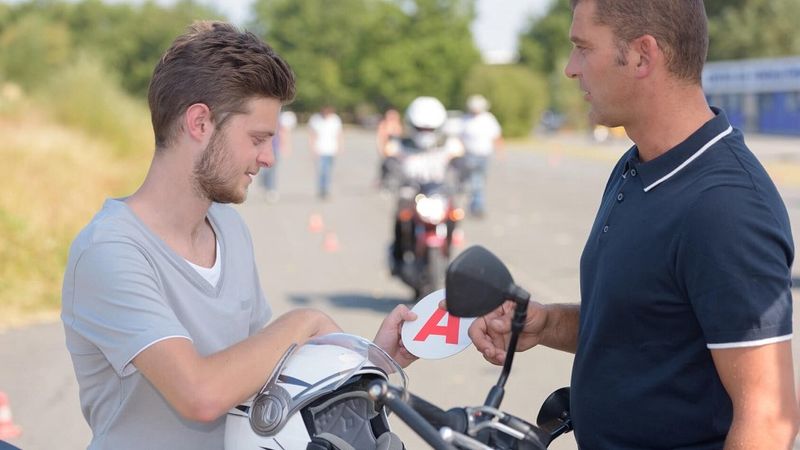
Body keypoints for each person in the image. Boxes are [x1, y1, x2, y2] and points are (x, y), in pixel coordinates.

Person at [60, 21, 416, 450]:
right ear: (199, 123)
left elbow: (259, 374)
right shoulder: (110, 251)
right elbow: (201, 394)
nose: (268, 158)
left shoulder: (228, 226)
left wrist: (364, 360)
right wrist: (305, 320)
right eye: (258, 139)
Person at [467, 1, 799, 448]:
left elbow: (768, 419)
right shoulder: (639, 164)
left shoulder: (726, 206)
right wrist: (546, 325)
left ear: (643, 55)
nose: (570, 68)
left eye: (583, 48)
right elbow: (648, 325)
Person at [459, 94, 503, 217]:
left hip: (483, 155)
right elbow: (460, 138)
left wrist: (500, 152)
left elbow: (496, 136)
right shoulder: (466, 119)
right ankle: (476, 205)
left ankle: (476, 205)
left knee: (478, 181)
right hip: (469, 155)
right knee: (474, 181)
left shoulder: (488, 119)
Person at [261, 110, 297, 202]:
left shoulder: (278, 116)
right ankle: (266, 186)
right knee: (263, 172)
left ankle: (271, 190)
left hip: (275, 148)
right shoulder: (261, 114)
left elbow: (283, 132)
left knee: (272, 170)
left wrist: (286, 146)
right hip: (262, 148)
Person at [308, 105, 343, 199]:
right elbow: (312, 135)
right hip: (320, 149)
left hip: (331, 149)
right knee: (322, 171)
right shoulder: (316, 119)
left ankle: (326, 189)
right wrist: (312, 149)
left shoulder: (335, 119)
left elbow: (339, 134)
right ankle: (322, 189)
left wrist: (340, 146)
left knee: (328, 171)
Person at [375, 108, 404, 191]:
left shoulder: (398, 125)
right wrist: (381, 149)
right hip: (387, 150)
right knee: (386, 167)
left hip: (396, 151)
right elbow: (380, 138)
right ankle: (383, 182)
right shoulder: (384, 125)